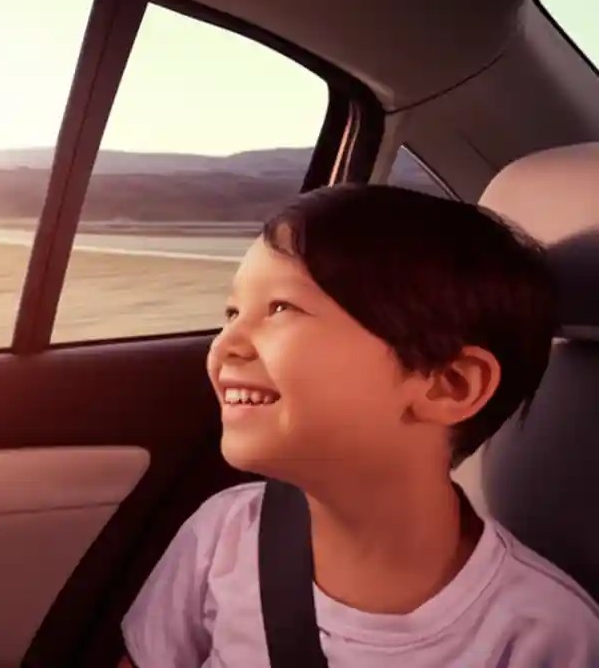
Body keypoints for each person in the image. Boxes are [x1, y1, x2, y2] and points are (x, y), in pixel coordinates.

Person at [120, 184, 599, 667]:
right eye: (232, 313)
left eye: (282, 308)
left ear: (447, 385)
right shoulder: (223, 535)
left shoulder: (545, 635)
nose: (226, 345)